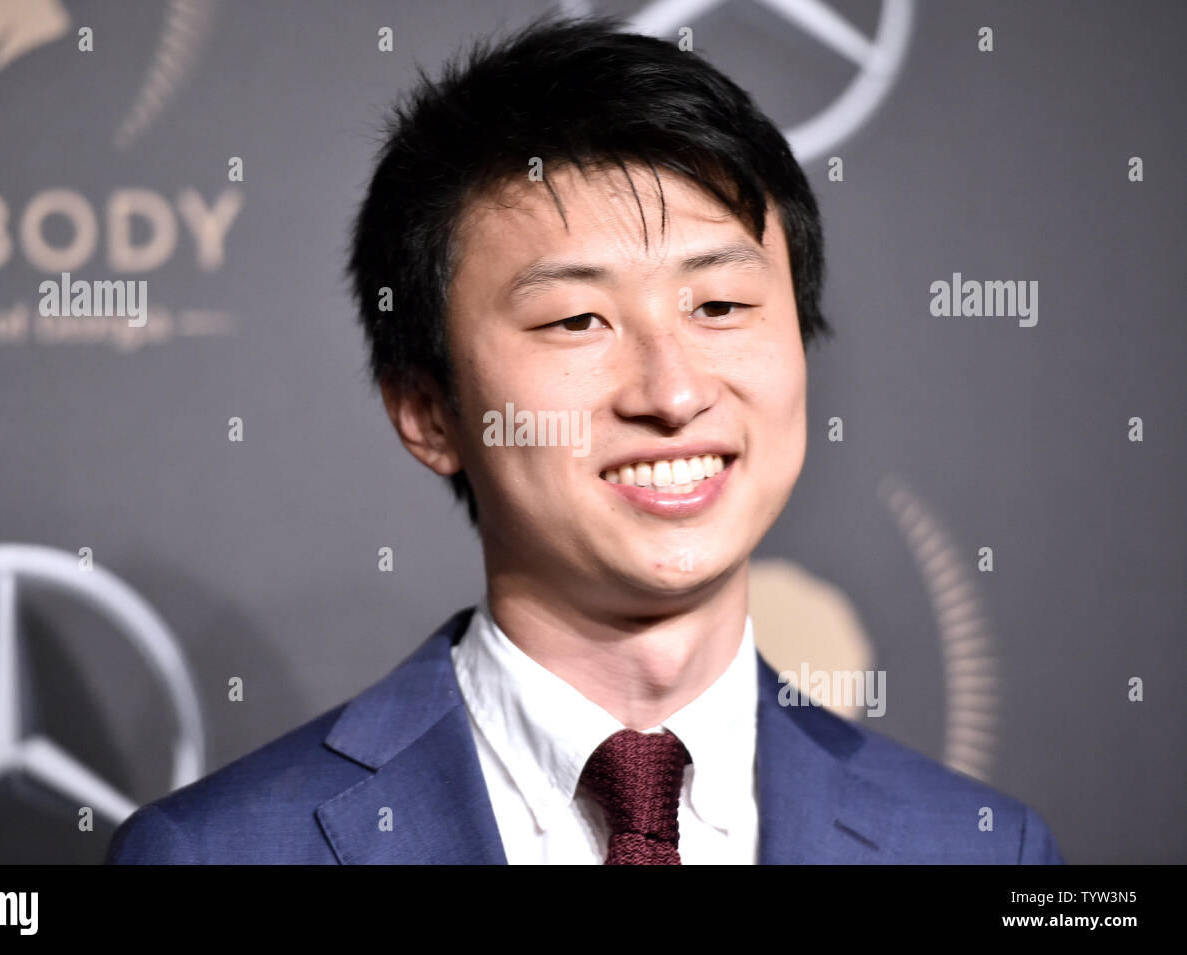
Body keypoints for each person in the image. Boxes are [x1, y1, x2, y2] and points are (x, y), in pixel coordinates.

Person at [106, 13, 1064, 865]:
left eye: (720, 303)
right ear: (427, 411)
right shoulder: (219, 852)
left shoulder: (980, 848)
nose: (675, 390)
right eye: (577, 321)